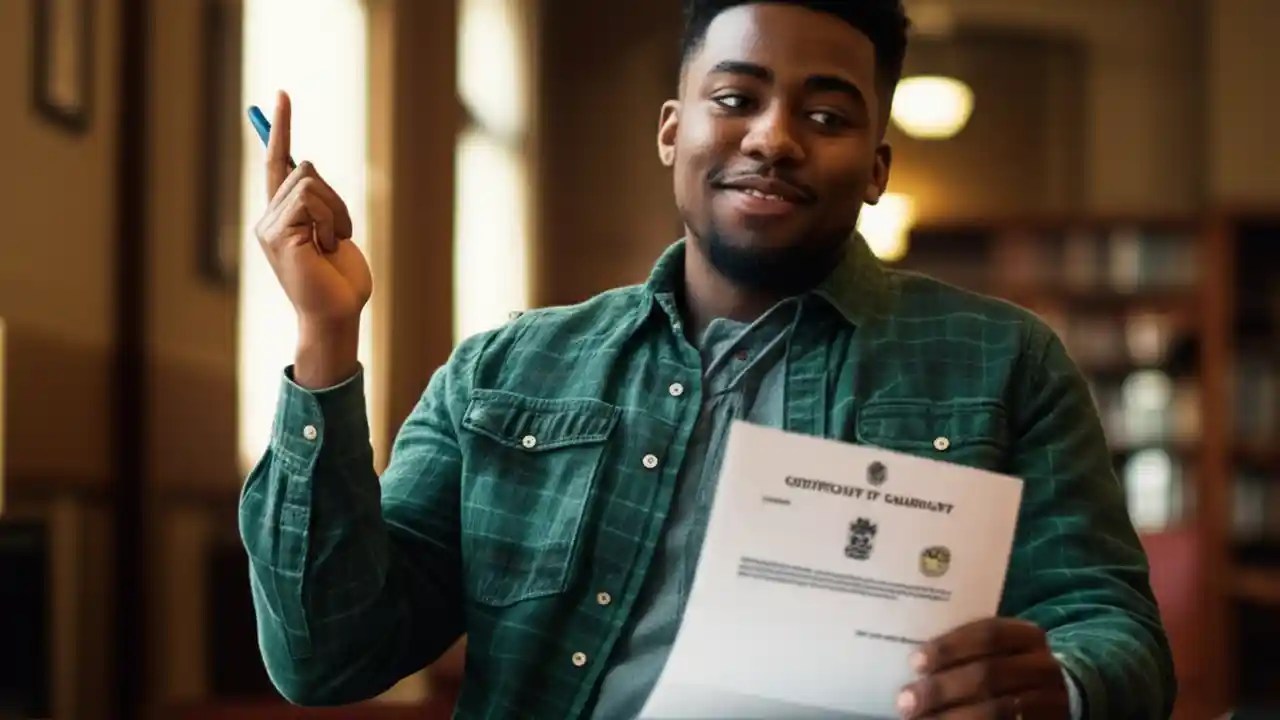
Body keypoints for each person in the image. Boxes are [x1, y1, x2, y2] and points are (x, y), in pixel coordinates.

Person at [239, 1, 1176, 717]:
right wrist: (326, 339)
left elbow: (1114, 629)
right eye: (735, 100)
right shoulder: (504, 371)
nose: (774, 138)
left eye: (827, 115)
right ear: (670, 130)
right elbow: (328, 658)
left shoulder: (1002, 361)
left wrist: (1062, 686)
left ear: (877, 169)